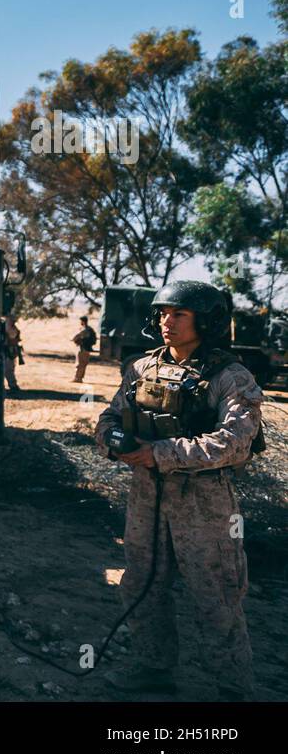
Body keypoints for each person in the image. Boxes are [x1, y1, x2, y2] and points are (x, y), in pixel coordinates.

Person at [94, 280, 264, 699]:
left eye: (179, 314)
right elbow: (109, 418)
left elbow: (235, 441)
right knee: (142, 584)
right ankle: (153, 667)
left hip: (204, 502)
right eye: (163, 313)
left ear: (205, 321)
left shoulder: (231, 377)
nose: (167, 322)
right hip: (147, 497)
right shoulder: (140, 369)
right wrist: (117, 442)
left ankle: (233, 688)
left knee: (215, 594)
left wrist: (161, 453)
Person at [72, 315, 97, 383]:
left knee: (80, 364)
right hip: (87, 349)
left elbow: (77, 337)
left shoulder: (85, 329)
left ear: (83, 321)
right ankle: (79, 378)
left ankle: (77, 378)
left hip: (82, 348)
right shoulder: (89, 329)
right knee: (83, 364)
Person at [2, 315, 22, 392]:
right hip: (8, 352)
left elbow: (12, 336)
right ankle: (12, 385)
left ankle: (13, 385)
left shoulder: (12, 329)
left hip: (10, 352)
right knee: (8, 369)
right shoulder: (9, 328)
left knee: (9, 369)